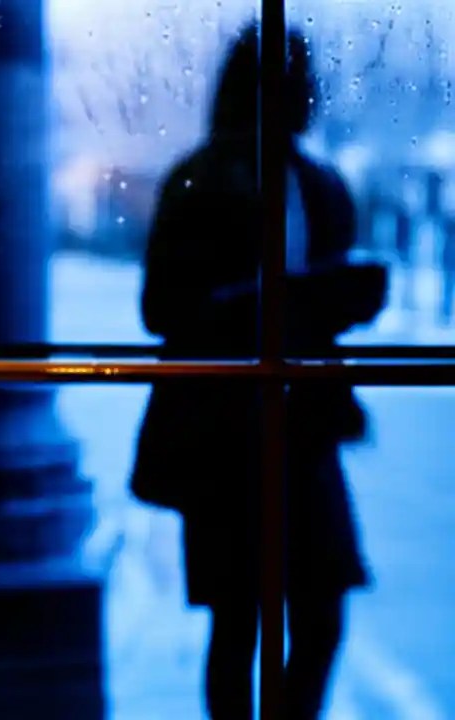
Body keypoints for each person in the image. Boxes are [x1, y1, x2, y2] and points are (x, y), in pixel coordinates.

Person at [130, 25, 386, 720]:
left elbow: (163, 308)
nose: (308, 92)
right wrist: (304, 298)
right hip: (251, 431)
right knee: (275, 619)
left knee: (252, 623)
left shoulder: (239, 175)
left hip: (250, 429)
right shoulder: (303, 180)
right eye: (296, 78)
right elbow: (163, 307)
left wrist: (322, 298)